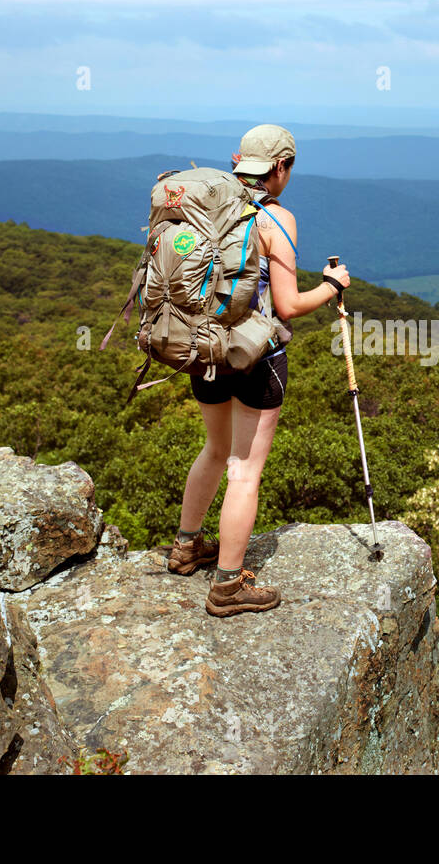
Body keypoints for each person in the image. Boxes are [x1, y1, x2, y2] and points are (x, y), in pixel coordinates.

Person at [163, 124, 351, 617]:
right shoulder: (276, 219)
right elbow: (287, 306)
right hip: (254, 358)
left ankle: (186, 547)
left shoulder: (202, 207)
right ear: (281, 168)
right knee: (245, 470)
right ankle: (228, 585)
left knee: (214, 448)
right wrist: (332, 286)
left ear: (236, 160)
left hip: (201, 350)